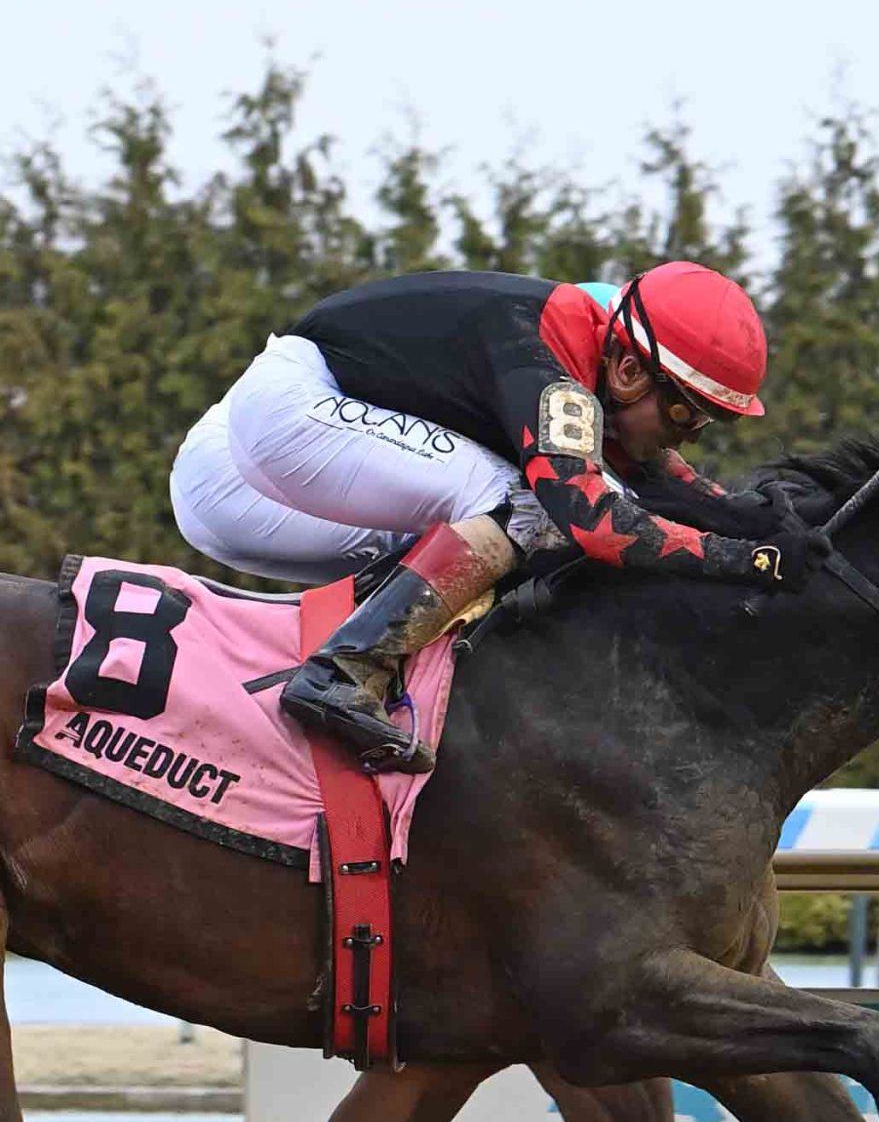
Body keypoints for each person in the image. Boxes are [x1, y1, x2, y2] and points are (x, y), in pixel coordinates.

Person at [170, 265, 820, 771]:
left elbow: (660, 480)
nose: (692, 437)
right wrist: (749, 558)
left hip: (235, 481)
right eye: (685, 415)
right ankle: (340, 673)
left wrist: (747, 517)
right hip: (274, 428)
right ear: (626, 370)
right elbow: (597, 520)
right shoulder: (546, 363)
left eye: (709, 421)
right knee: (526, 506)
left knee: (481, 543)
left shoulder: (595, 354)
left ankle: (396, 679)